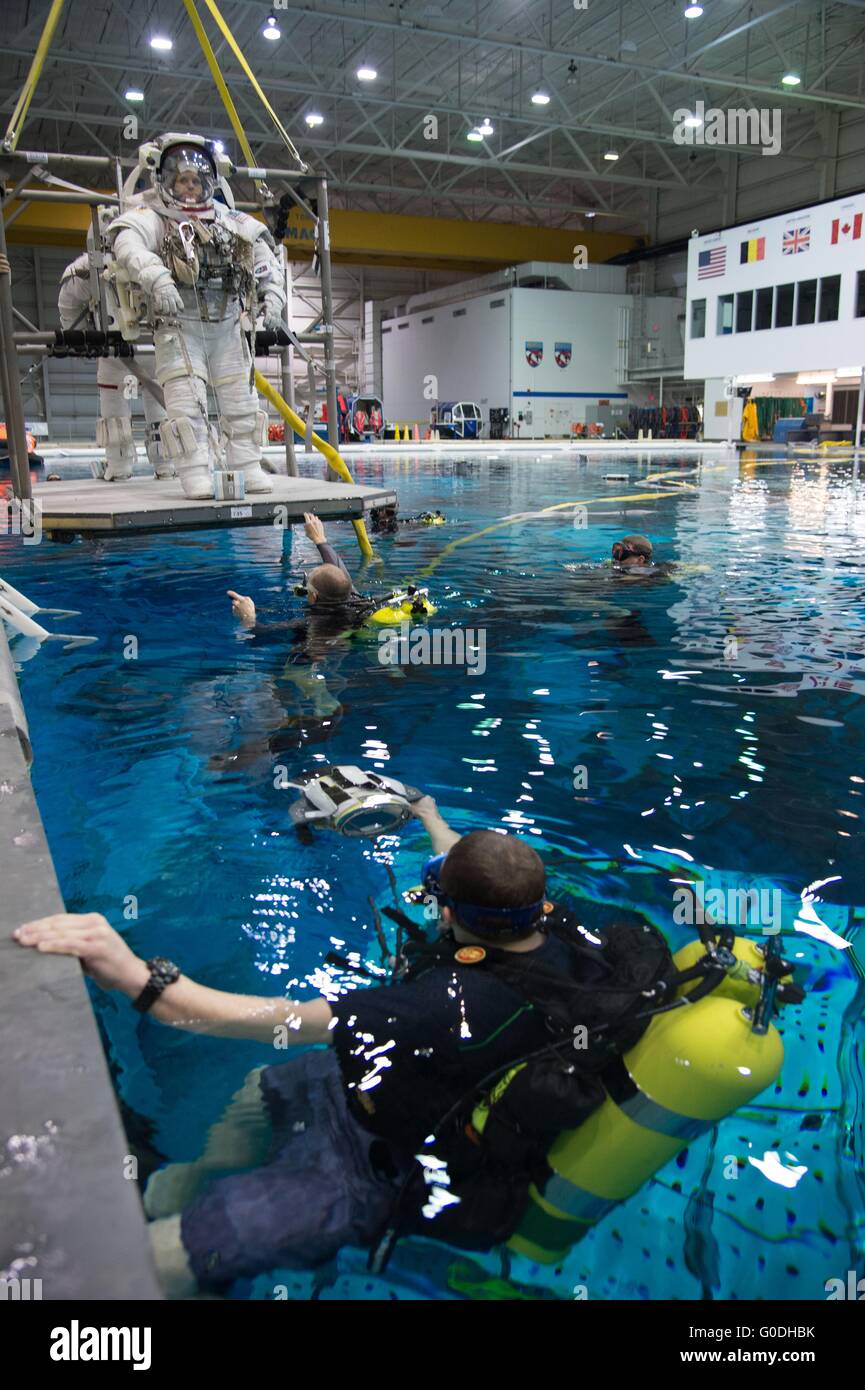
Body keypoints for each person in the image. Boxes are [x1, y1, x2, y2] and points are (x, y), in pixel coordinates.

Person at [13, 810, 671, 1296]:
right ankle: (181, 1184)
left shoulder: (434, 1005)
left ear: (446, 913)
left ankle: (184, 1230)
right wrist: (426, 815)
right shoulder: (569, 936)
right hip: (396, 1088)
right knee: (268, 1085)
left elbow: (207, 1014)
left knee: (149, 1265)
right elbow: (471, 871)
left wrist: (130, 971)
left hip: (370, 1173)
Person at [107, 132, 285, 500]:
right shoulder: (152, 215)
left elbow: (266, 257)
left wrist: (273, 296)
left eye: (195, 180)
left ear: (208, 182)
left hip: (227, 324)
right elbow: (126, 245)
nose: (189, 188)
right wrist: (157, 279)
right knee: (186, 404)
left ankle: (247, 466)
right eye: (182, 180)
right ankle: (195, 472)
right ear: (167, 181)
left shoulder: (229, 219)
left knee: (241, 401)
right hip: (179, 325)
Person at [58, 249, 170, 483]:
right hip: (151, 346)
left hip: (116, 350)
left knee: (115, 410)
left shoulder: (88, 267)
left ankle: (119, 467)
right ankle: (165, 464)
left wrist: (75, 336)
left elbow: (68, 299)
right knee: (159, 407)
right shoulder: (154, 258)